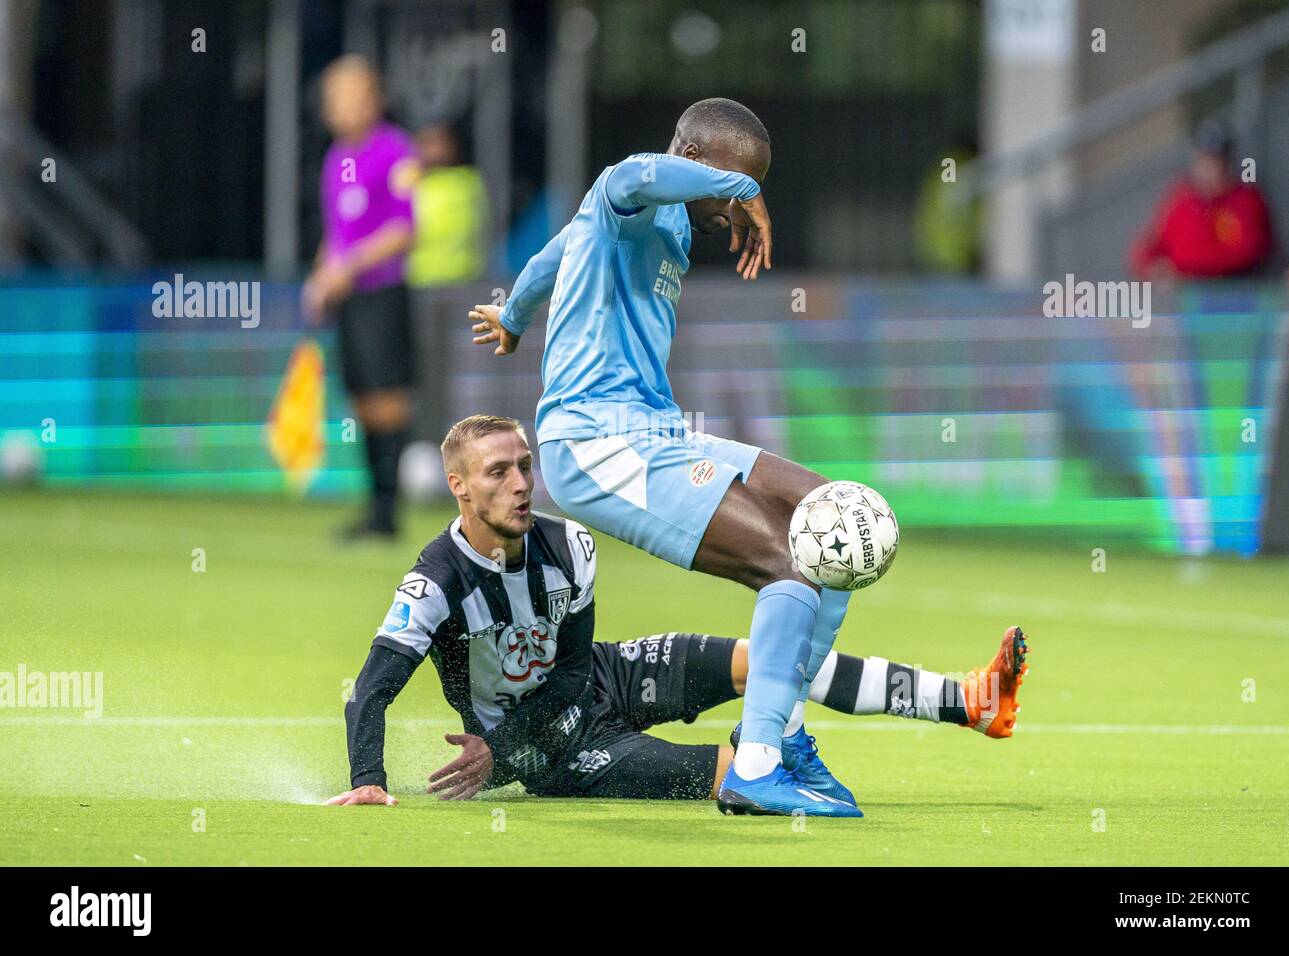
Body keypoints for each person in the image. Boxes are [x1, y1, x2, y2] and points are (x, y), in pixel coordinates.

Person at [467, 97, 1023, 817]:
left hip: (654, 431)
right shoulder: (632, 197)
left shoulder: (649, 221)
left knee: (831, 511)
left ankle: (783, 740)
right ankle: (755, 765)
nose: (734, 212)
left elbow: (555, 253)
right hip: (596, 443)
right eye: (730, 185)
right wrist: (742, 191)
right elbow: (625, 176)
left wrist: (512, 318)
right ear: (693, 163)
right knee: (789, 564)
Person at [326, 415, 1030, 807]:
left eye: (525, 466)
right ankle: (762, 774)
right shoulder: (436, 582)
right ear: (457, 487)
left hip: (601, 681)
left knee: (768, 663)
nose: (521, 484)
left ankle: (969, 701)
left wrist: (499, 749)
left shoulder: (570, 545)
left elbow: (573, 674)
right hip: (554, 751)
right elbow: (372, 691)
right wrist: (369, 782)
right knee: (740, 774)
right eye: (497, 472)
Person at [303, 55, 419, 539]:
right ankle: (374, 509)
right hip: (349, 297)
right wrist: (321, 275)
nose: (338, 108)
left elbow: (404, 229)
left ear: (373, 98)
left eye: (347, 96)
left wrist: (347, 267)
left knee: (386, 399)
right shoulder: (336, 158)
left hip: (383, 292)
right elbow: (339, 232)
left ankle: (389, 514)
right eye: (332, 99)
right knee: (360, 399)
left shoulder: (395, 150)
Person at [1130, 119, 1273, 280]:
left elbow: (1249, 251)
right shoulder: (1179, 198)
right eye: (1203, 161)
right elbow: (1145, 251)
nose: (1208, 170)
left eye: (1215, 163)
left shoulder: (1245, 199)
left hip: (1236, 290)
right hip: (1185, 294)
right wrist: (1155, 268)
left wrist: (1187, 267)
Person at [406, 122, 488, 288]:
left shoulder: (467, 182)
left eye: (436, 142)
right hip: (417, 281)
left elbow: (418, 227)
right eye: (424, 143)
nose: (431, 150)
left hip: (462, 279)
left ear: (452, 145)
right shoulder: (411, 182)